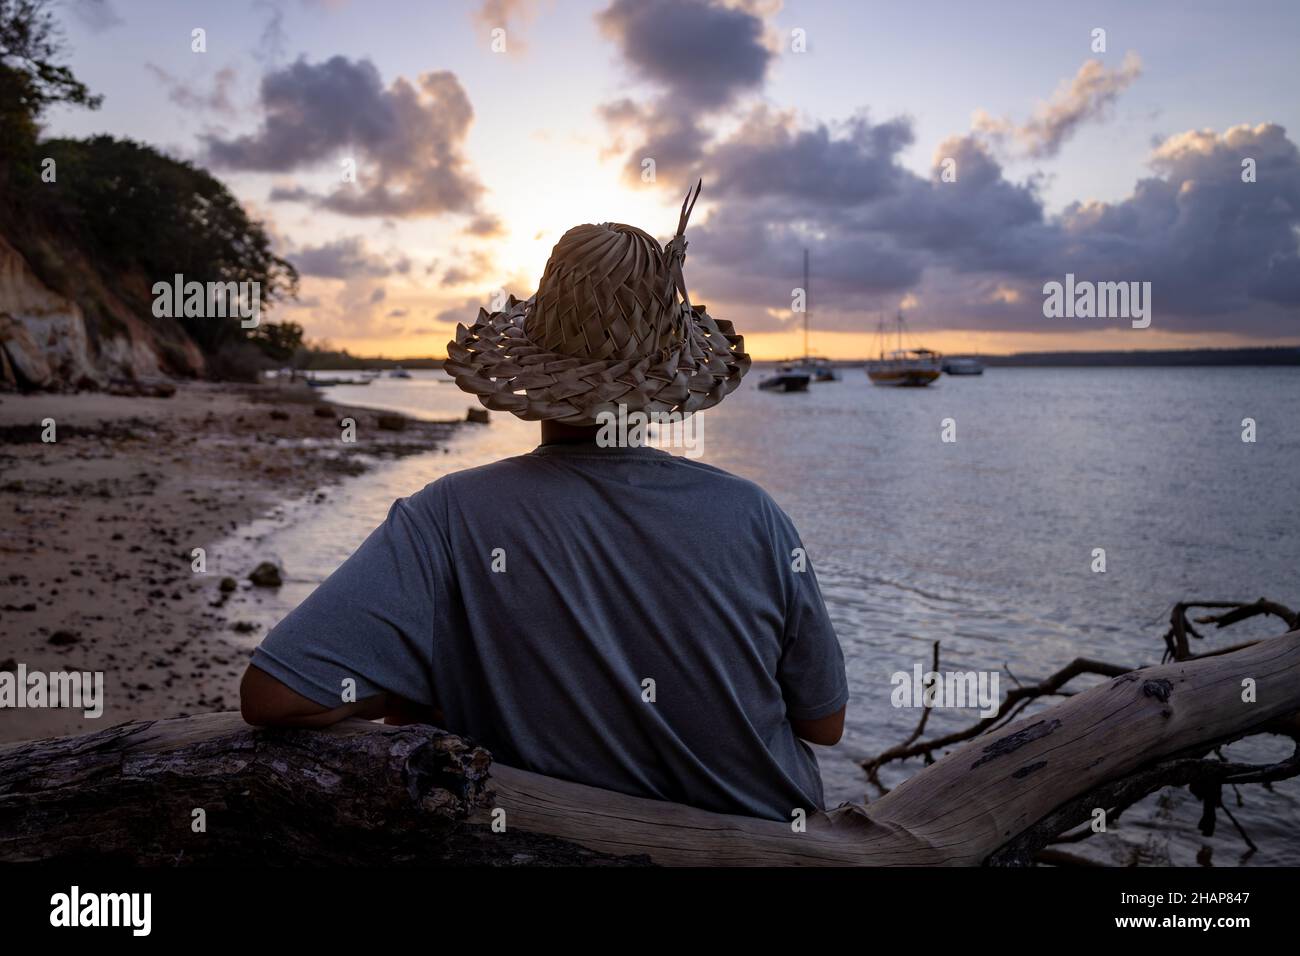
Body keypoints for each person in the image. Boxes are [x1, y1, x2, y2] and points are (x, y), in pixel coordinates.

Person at [240, 184, 849, 821]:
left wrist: (422, 686)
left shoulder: (447, 516)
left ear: (530, 366)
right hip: (778, 842)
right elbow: (825, 723)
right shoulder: (754, 516)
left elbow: (274, 696)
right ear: (663, 379)